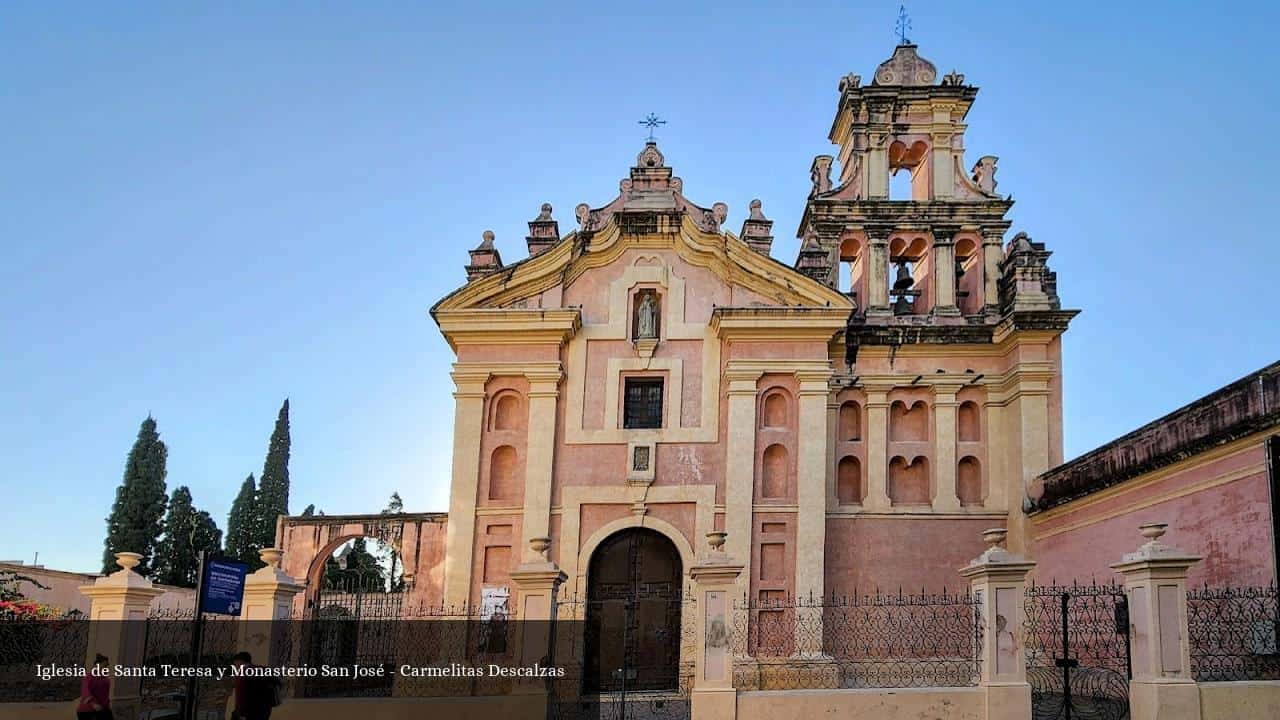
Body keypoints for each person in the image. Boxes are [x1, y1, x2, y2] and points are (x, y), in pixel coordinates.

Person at [229, 651, 276, 720]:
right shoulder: (265, 670)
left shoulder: (242, 673)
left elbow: (240, 695)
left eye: (235, 664)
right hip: (265, 712)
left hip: (248, 713)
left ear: (239, 662)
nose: (235, 667)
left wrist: (241, 713)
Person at [75, 654, 111, 720]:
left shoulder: (106, 679)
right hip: (87, 710)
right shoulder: (89, 677)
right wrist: (93, 704)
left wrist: (107, 706)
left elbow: (105, 695)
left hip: (102, 709)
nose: (106, 668)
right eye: (104, 666)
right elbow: (85, 691)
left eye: (106, 666)